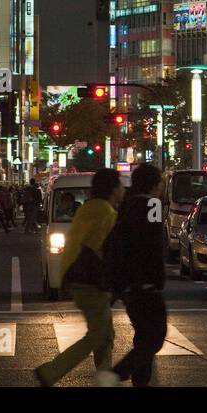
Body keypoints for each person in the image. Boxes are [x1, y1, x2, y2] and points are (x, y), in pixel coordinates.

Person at [35, 168, 124, 386]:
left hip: (77, 278)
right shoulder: (105, 212)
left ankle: (105, 378)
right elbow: (107, 251)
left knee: (105, 334)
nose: (123, 190)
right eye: (120, 185)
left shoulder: (88, 208)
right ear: (113, 189)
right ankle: (51, 371)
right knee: (98, 334)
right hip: (91, 282)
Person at [101, 164, 169, 387]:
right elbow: (156, 245)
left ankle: (140, 381)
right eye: (161, 182)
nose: (162, 186)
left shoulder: (127, 204)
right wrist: (157, 277)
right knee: (155, 337)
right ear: (154, 184)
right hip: (146, 283)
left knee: (143, 335)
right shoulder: (153, 205)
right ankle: (118, 373)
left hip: (128, 284)